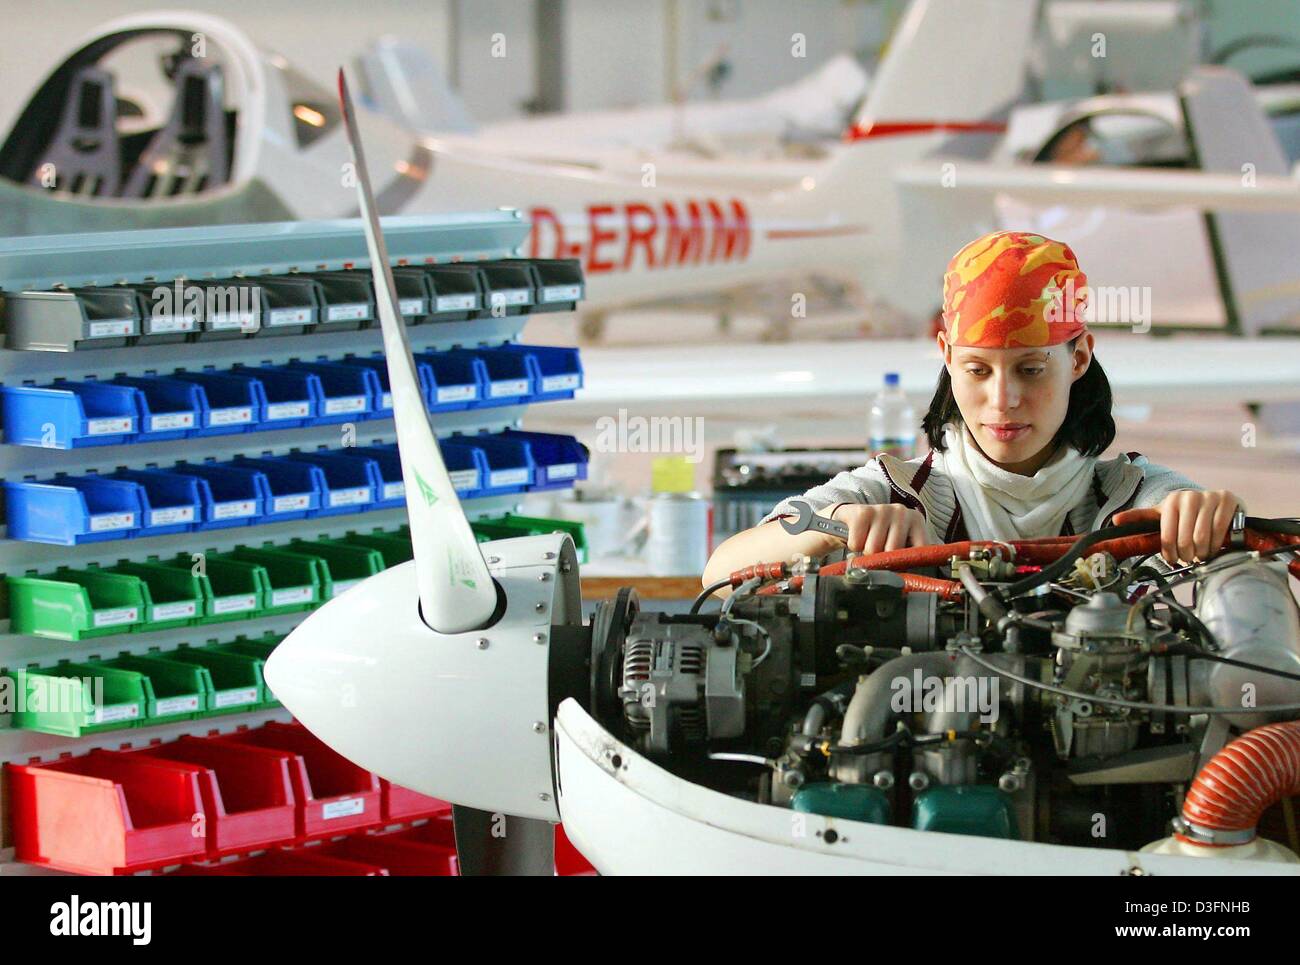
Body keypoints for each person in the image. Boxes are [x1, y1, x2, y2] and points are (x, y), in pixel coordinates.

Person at [703, 230, 1243, 596]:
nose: (1002, 400)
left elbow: (1199, 524)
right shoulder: (895, 491)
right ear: (947, 357)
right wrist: (833, 525)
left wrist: (1205, 517)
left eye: (1031, 370)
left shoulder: (1132, 499)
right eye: (978, 371)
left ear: (1078, 357)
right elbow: (717, 574)